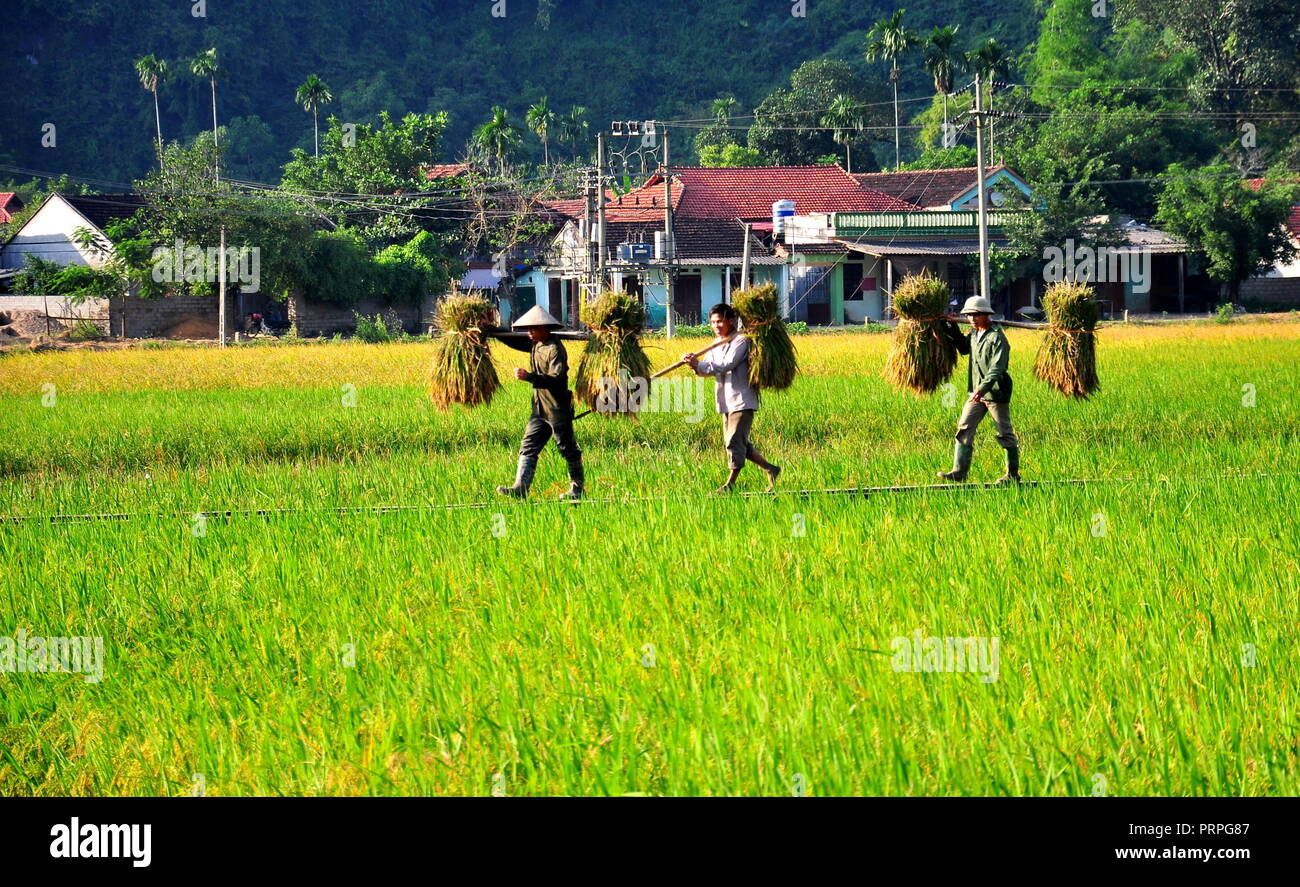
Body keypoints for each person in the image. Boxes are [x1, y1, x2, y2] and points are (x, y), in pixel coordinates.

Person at [684, 303, 781, 493]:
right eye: (713, 322)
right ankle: (771, 468)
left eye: (720, 321)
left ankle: (730, 484)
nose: (716, 326)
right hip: (725, 401)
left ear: (731, 320)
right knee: (739, 443)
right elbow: (708, 370)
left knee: (734, 441)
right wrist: (694, 365)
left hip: (741, 399)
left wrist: (700, 364)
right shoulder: (715, 344)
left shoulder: (741, 341)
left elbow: (726, 365)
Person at [496, 305, 585, 501]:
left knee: (566, 447)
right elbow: (514, 341)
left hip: (556, 408)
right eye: (528, 329)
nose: (529, 333)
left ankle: (577, 489)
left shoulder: (555, 349)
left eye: (533, 329)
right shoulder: (535, 344)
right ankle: (520, 487)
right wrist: (492, 331)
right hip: (539, 409)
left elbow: (556, 377)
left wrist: (530, 377)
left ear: (545, 328)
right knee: (529, 445)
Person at [937, 295, 1020, 484]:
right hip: (976, 394)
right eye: (969, 316)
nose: (972, 319)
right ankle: (959, 472)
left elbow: (998, 368)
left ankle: (1012, 475)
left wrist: (982, 389)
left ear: (986, 315)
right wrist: (951, 326)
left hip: (995, 393)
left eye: (976, 315)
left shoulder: (997, 337)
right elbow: (964, 348)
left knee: (1004, 432)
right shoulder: (975, 335)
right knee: (964, 427)